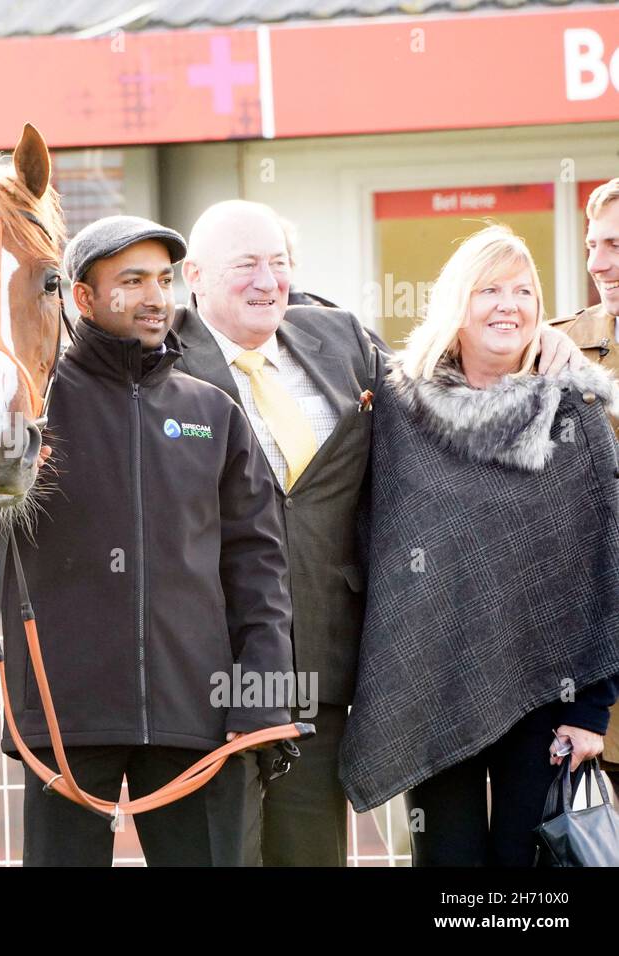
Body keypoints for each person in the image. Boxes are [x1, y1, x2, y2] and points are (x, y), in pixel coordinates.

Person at [173, 199, 590, 867]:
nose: (266, 281)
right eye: (245, 264)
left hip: (321, 672)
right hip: (202, 679)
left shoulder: (340, 342)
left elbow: (444, 383)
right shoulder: (152, 361)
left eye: (278, 264)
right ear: (193, 274)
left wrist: (545, 340)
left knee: (314, 856)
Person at [0, 215, 293, 866]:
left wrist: (262, 694)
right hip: (63, 722)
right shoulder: (31, 403)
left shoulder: (212, 412)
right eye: (131, 280)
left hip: (195, 720)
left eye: (164, 280)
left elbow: (258, 568)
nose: (155, 297)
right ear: (81, 298)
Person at [340, 224, 619, 866]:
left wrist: (593, 712)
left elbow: (602, 564)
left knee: (530, 869)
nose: (508, 305)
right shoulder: (401, 409)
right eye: (488, 289)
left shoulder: (572, 409)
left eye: (524, 291)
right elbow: (370, 538)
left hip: (551, 692)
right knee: (448, 863)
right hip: (432, 682)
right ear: (454, 305)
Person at [547, 176, 619, 789]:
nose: (598, 264)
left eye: (615, 246)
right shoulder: (554, 343)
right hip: (580, 673)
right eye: (593, 245)